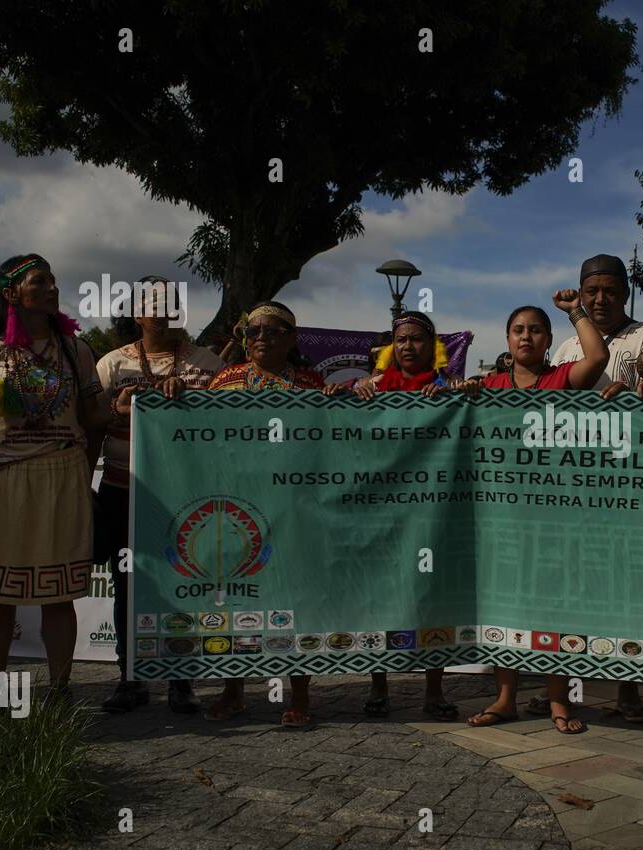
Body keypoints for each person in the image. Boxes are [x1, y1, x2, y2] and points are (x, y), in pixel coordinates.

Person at [0, 254, 105, 697]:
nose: (53, 287)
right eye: (41, 281)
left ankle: (60, 688)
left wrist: (129, 407)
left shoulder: (76, 350)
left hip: (62, 478)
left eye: (54, 280)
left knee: (60, 594)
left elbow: (95, 420)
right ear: (12, 294)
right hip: (2, 478)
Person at [530, 253, 643, 724]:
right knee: (572, 585)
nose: (599, 298)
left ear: (625, 292)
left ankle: (628, 690)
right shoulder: (566, 350)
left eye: (609, 290)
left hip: (628, 482)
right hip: (573, 482)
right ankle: (566, 689)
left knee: (626, 585)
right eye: (590, 290)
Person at [459, 300, 610, 734]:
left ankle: (559, 701)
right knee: (507, 607)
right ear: (507, 339)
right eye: (518, 330)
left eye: (536, 330)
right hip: (502, 516)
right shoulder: (486, 386)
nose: (526, 336)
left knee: (553, 607)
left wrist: (576, 312)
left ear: (548, 341)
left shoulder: (562, 379)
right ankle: (505, 698)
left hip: (557, 517)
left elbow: (598, 358)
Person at [91, 277, 225, 714]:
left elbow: (225, 431)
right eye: (154, 304)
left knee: (183, 587)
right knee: (128, 585)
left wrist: (191, 404)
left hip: (186, 496)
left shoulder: (207, 364)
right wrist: (116, 408)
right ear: (136, 313)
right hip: (122, 490)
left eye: (172, 304)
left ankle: (181, 681)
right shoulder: (112, 364)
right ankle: (130, 678)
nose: (164, 312)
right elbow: (90, 424)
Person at [326, 309, 460, 720]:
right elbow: (333, 416)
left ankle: (434, 692)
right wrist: (343, 392)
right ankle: (378, 686)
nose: (408, 347)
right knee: (379, 597)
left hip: (430, 512)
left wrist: (457, 397)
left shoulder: (446, 389)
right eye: (400, 340)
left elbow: (475, 406)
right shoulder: (372, 387)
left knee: (430, 596)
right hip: (380, 511)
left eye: (417, 339)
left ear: (432, 346)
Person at [203, 301, 325, 727]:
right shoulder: (225, 382)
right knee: (238, 602)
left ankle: (301, 695)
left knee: (295, 602)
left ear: (291, 338)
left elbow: (328, 445)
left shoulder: (311, 383)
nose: (260, 338)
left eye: (272, 331)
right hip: (239, 510)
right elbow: (199, 436)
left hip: (295, 509)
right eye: (252, 331)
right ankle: (233, 691)